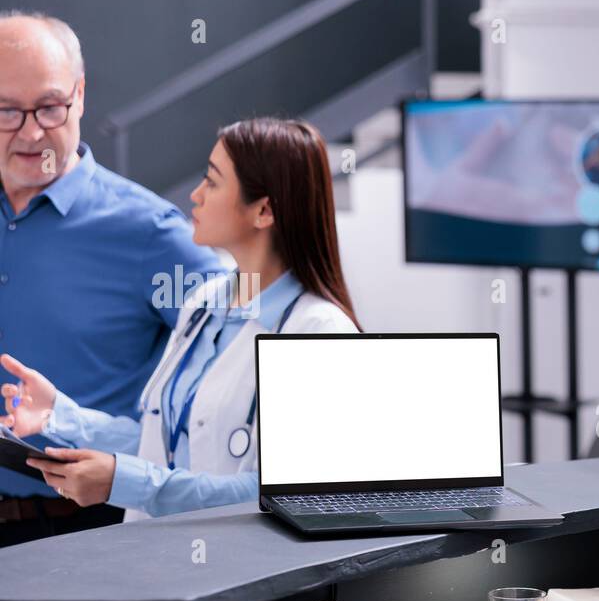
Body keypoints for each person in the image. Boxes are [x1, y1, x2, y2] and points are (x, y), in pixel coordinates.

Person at [2, 117, 359, 520]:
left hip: (245, 574)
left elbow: (282, 493)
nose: (196, 194)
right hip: (166, 567)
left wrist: (124, 482)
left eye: (212, 180)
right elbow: (163, 442)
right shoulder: (203, 306)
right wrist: (62, 416)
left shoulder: (318, 332)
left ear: (262, 211)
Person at [0, 10, 227, 545]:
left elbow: (245, 348)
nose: (32, 132)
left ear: (80, 96)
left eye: (51, 107)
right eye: (7, 111)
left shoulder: (152, 233)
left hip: (85, 529)